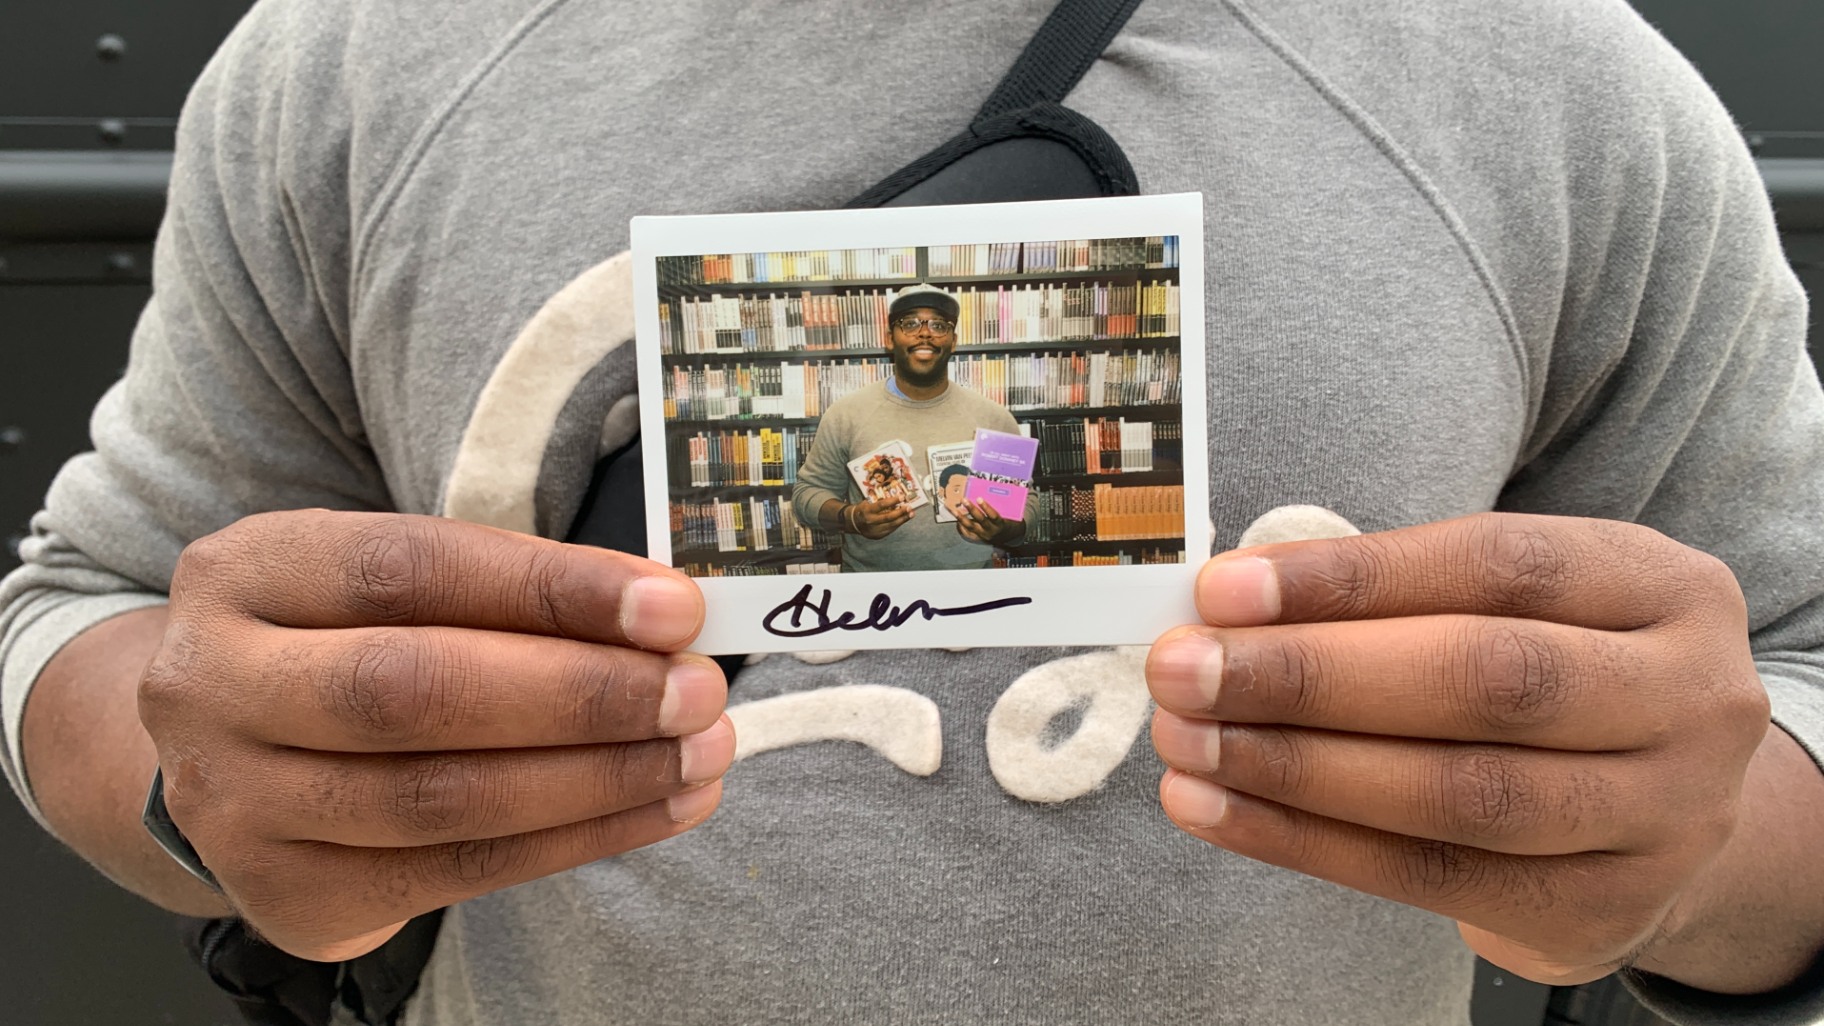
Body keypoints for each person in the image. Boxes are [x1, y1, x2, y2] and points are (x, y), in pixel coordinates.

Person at [2, 1, 1821, 1024]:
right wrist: (196, 775)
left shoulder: (1559, 88)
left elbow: (1790, 679)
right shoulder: (346, 65)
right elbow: (88, 602)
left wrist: (1689, 845)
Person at [790, 283, 1028, 572]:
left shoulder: (995, 418)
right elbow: (806, 494)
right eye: (910, 323)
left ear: (953, 341)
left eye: (939, 325)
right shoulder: (845, 414)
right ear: (890, 338)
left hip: (968, 591)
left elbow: (1027, 505)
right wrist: (852, 518)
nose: (924, 333)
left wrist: (1003, 529)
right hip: (874, 595)